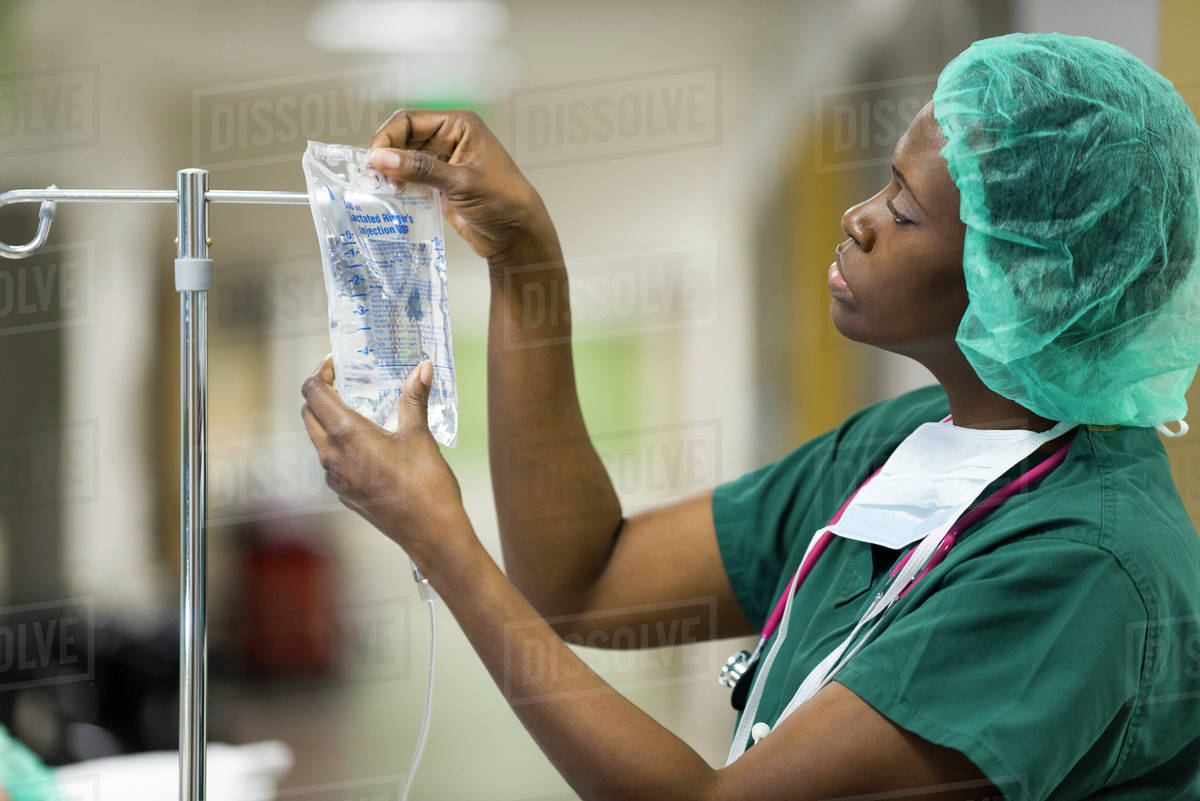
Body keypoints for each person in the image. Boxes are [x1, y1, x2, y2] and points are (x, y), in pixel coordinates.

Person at [300, 32, 1200, 801]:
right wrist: (524, 249)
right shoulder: (912, 444)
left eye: (903, 205)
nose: (857, 218)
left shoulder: (1083, 564)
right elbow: (585, 579)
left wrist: (438, 538)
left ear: (1029, 276)